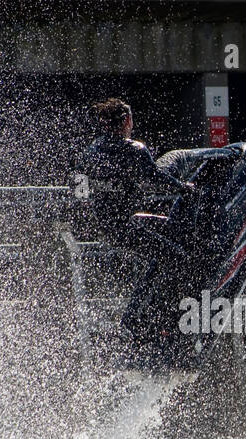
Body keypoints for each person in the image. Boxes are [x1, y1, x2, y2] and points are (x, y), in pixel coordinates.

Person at [74, 98, 196, 339]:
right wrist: (184, 187)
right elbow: (155, 179)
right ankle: (153, 319)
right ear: (127, 121)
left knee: (172, 233)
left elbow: (78, 188)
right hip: (125, 226)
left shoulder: (90, 152)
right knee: (178, 259)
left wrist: (91, 208)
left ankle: (140, 313)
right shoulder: (134, 149)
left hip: (107, 224)